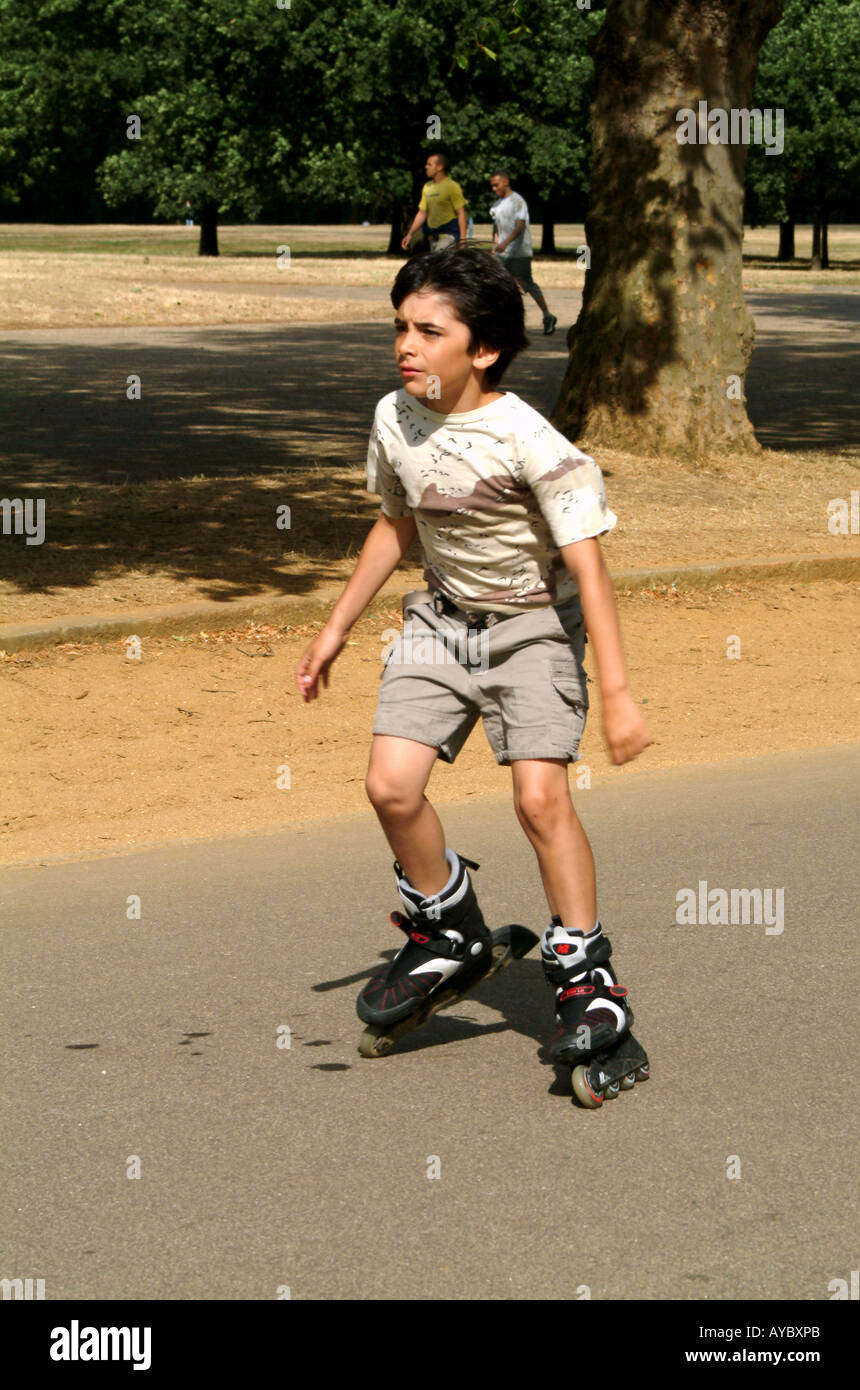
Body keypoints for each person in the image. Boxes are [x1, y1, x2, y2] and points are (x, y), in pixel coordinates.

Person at [295, 245, 652, 1100]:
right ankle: (448, 922)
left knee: (539, 798)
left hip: (532, 630)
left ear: (482, 349)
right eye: (399, 328)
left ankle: (585, 972)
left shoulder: (535, 443)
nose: (405, 346)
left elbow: (589, 567)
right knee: (390, 787)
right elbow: (397, 523)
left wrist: (617, 691)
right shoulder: (394, 417)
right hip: (440, 624)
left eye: (428, 331)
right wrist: (336, 627)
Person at [489, 167, 557, 334]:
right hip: (502, 254)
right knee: (500, 286)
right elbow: (497, 229)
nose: (494, 189)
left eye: (496, 185)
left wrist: (505, 243)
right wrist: (495, 245)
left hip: (519, 252)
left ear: (506, 182)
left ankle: (547, 315)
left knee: (526, 283)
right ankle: (505, 322)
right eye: (492, 186)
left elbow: (520, 226)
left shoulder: (517, 202)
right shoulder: (496, 205)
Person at [402, 153, 468, 251]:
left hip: (449, 234)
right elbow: (422, 213)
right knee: (437, 263)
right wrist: (410, 233)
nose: (426, 167)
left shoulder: (452, 186)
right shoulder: (427, 187)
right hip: (433, 235)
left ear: (440, 167)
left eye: (429, 165)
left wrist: (463, 240)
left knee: (438, 258)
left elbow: (461, 213)